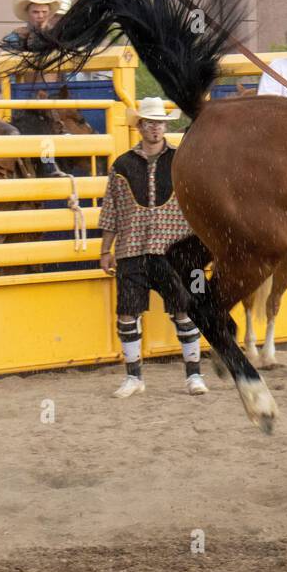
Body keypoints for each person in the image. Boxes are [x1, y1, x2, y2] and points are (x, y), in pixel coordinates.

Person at [98, 97, 208, 397]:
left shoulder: (181, 159)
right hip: (132, 248)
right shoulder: (122, 165)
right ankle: (134, 377)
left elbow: (196, 201)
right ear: (141, 127)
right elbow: (113, 209)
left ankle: (194, 374)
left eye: (159, 123)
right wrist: (105, 250)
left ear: (164, 126)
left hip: (173, 248)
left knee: (183, 309)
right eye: (150, 123)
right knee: (127, 313)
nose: (155, 128)